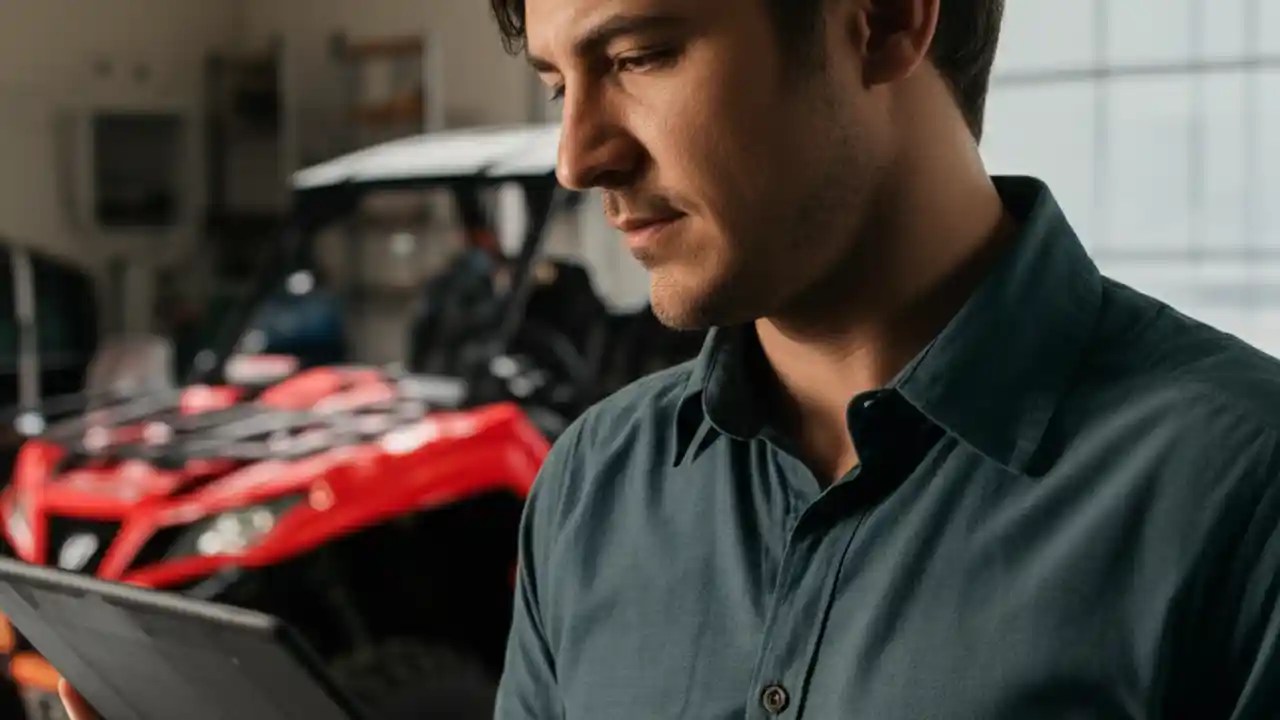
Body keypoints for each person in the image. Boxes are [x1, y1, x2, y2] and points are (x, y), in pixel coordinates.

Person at [62, 0, 1280, 718]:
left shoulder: (1237, 493)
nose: (576, 155)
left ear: (882, 19)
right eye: (557, 81)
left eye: (638, 55)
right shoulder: (595, 484)